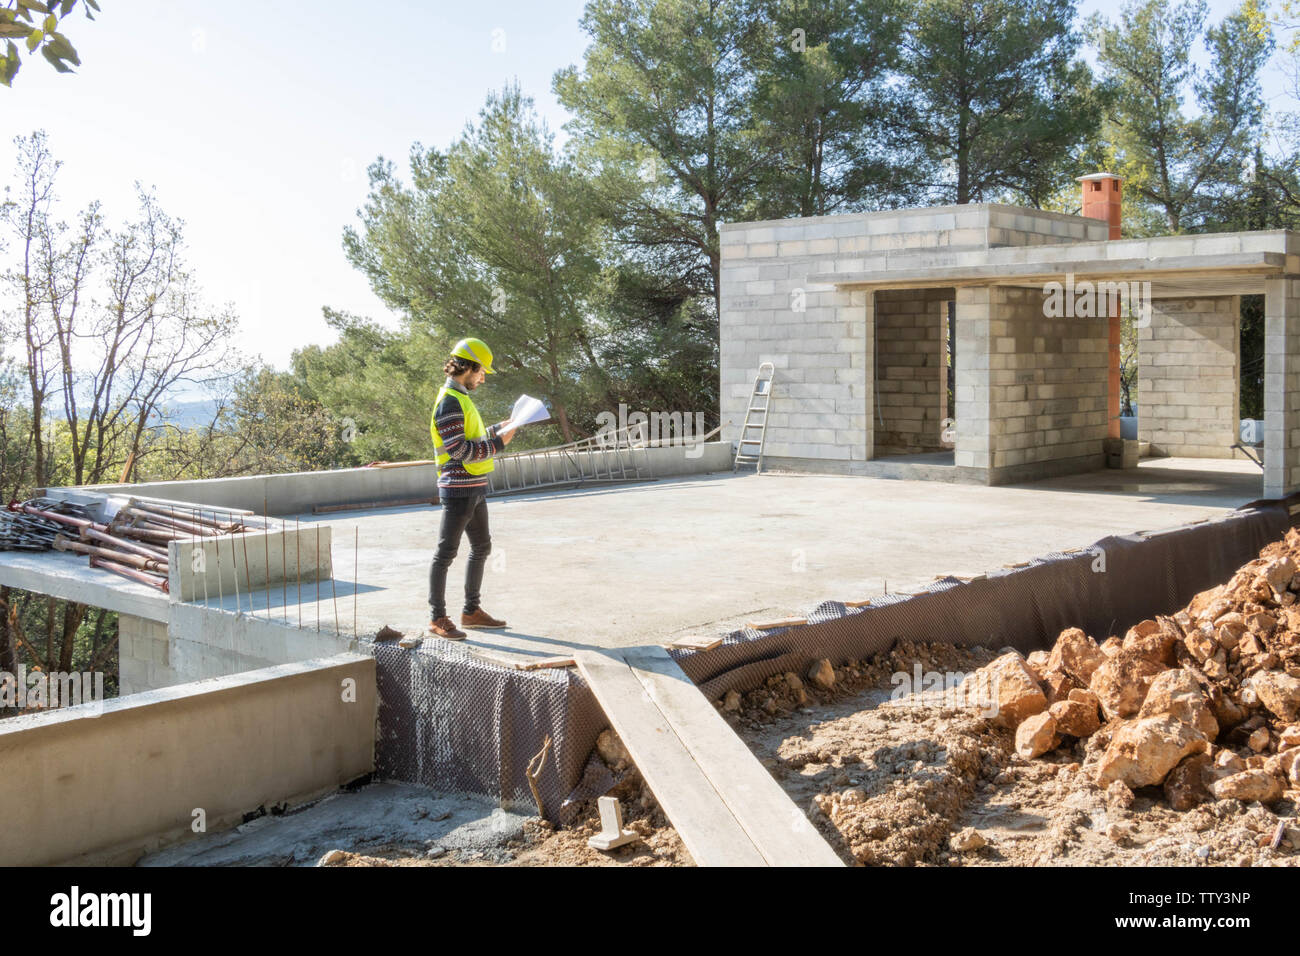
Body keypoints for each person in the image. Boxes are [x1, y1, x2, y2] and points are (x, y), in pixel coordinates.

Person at [427, 337, 516, 640]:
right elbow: (460, 450)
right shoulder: (449, 402)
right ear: (470, 367)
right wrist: (499, 443)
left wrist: (495, 431)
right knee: (445, 554)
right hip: (458, 490)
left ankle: (471, 612)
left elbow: (471, 437)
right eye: (482, 372)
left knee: (482, 547)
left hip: (475, 488)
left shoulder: (461, 398)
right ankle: (438, 618)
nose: (483, 377)